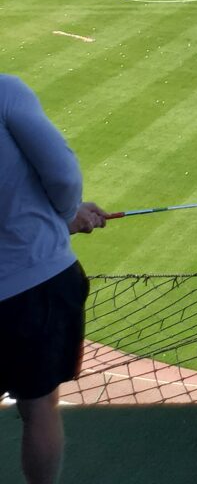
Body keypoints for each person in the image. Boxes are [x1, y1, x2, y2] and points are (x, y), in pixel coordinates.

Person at [1, 75, 107, 484]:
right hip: (37, 285)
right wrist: (66, 215)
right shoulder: (5, 92)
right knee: (40, 404)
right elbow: (62, 175)